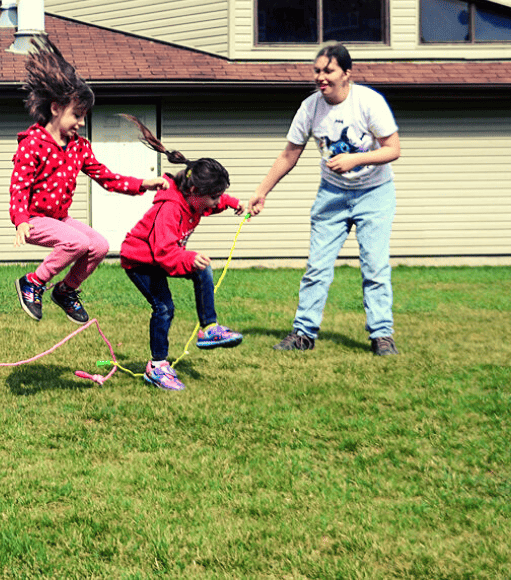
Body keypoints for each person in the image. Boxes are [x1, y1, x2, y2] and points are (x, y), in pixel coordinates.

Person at [248, 43, 401, 356]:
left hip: (375, 193)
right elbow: (289, 154)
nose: (321, 77)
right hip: (332, 194)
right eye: (317, 71)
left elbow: (393, 149)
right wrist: (261, 191)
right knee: (317, 267)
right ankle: (303, 334)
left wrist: (355, 160)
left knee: (374, 267)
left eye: (328, 71)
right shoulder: (310, 108)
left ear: (346, 73)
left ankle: (382, 336)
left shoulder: (368, 102)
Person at [10, 37, 167, 324]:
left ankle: (66, 291)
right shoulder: (32, 145)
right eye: (77, 115)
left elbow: (106, 177)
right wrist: (21, 220)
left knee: (99, 245)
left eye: (84, 117)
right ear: (56, 108)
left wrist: (143, 183)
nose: (81, 123)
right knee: (77, 242)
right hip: (32, 219)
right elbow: (19, 187)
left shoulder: (79, 147)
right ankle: (33, 282)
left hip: (59, 219)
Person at [119, 117, 246, 391]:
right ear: (194, 191)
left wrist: (235, 203)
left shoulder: (193, 200)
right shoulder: (170, 209)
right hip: (140, 261)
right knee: (164, 307)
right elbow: (163, 251)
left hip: (161, 256)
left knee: (203, 268)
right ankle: (157, 367)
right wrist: (188, 257)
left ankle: (209, 329)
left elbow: (214, 203)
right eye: (214, 196)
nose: (216, 202)